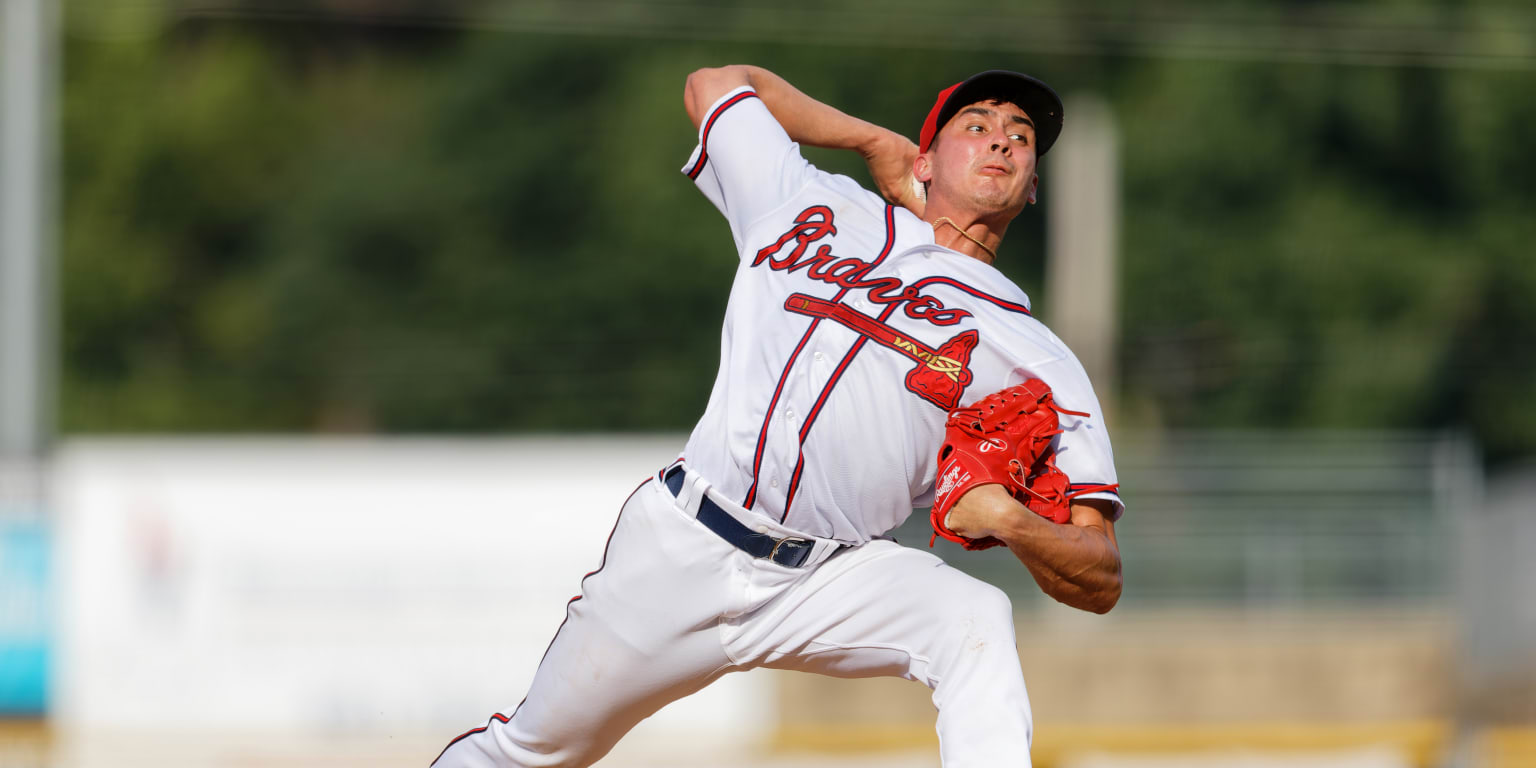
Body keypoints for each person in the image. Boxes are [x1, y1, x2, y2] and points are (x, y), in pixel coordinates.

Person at [432, 65, 1124, 768]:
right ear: (925, 160)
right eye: (975, 126)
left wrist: (1012, 520)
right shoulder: (807, 202)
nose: (1002, 142)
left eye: (1022, 137)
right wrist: (869, 141)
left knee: (975, 618)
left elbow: (1100, 576)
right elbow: (718, 85)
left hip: (830, 578)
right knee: (531, 751)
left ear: (1032, 187)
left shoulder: (1037, 356)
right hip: (684, 542)